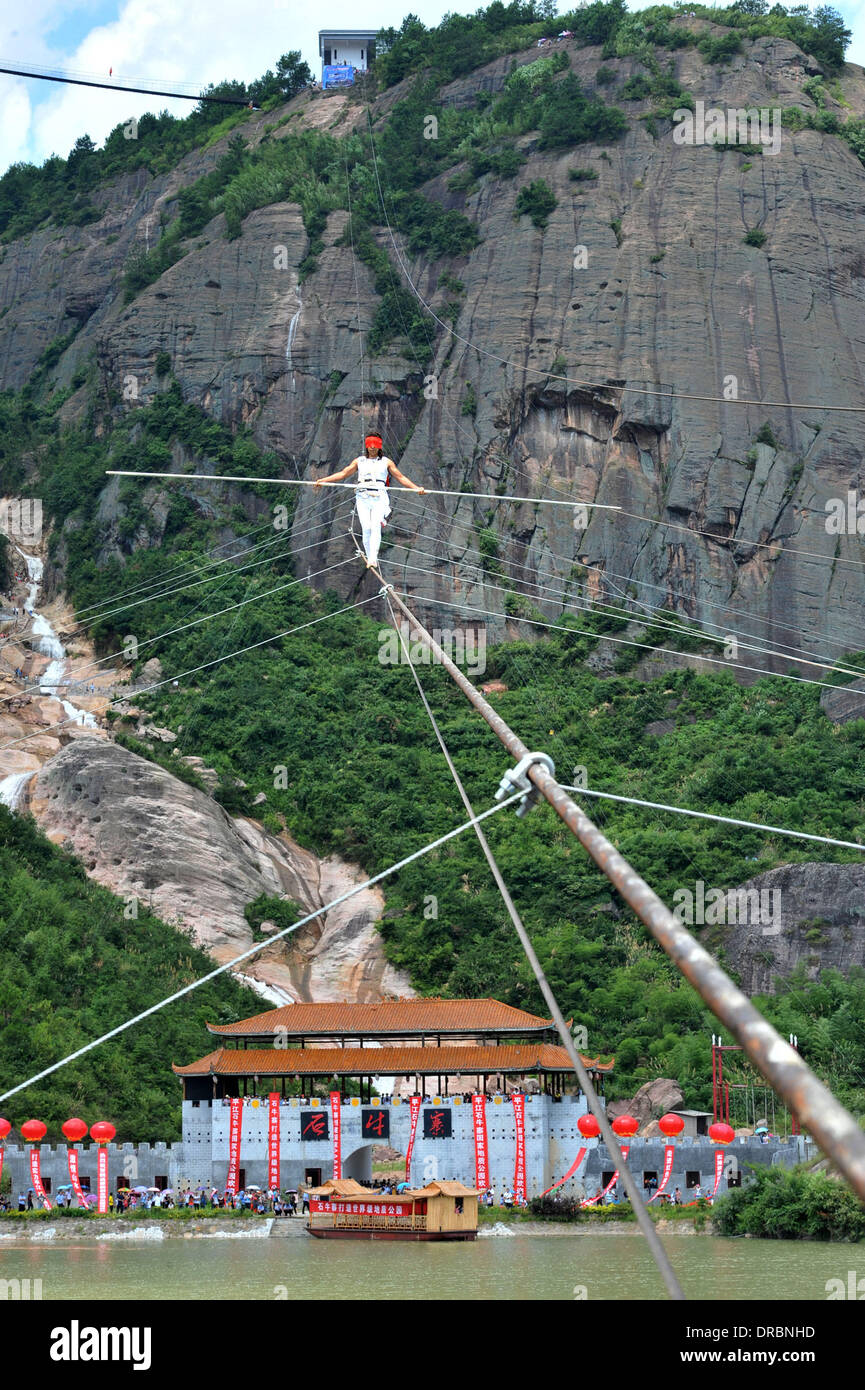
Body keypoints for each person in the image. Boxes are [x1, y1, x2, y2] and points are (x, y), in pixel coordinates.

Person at [313, 435, 425, 568]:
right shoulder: (359, 461)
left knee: (375, 526)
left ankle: (373, 558)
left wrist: (416, 488)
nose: (372, 446)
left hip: (379, 497)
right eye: (370, 444)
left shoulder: (386, 462)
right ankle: (369, 557)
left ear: (379, 446)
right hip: (362, 496)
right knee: (366, 527)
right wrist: (323, 480)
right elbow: (343, 473)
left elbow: (401, 477)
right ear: (366, 445)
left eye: (375, 444)